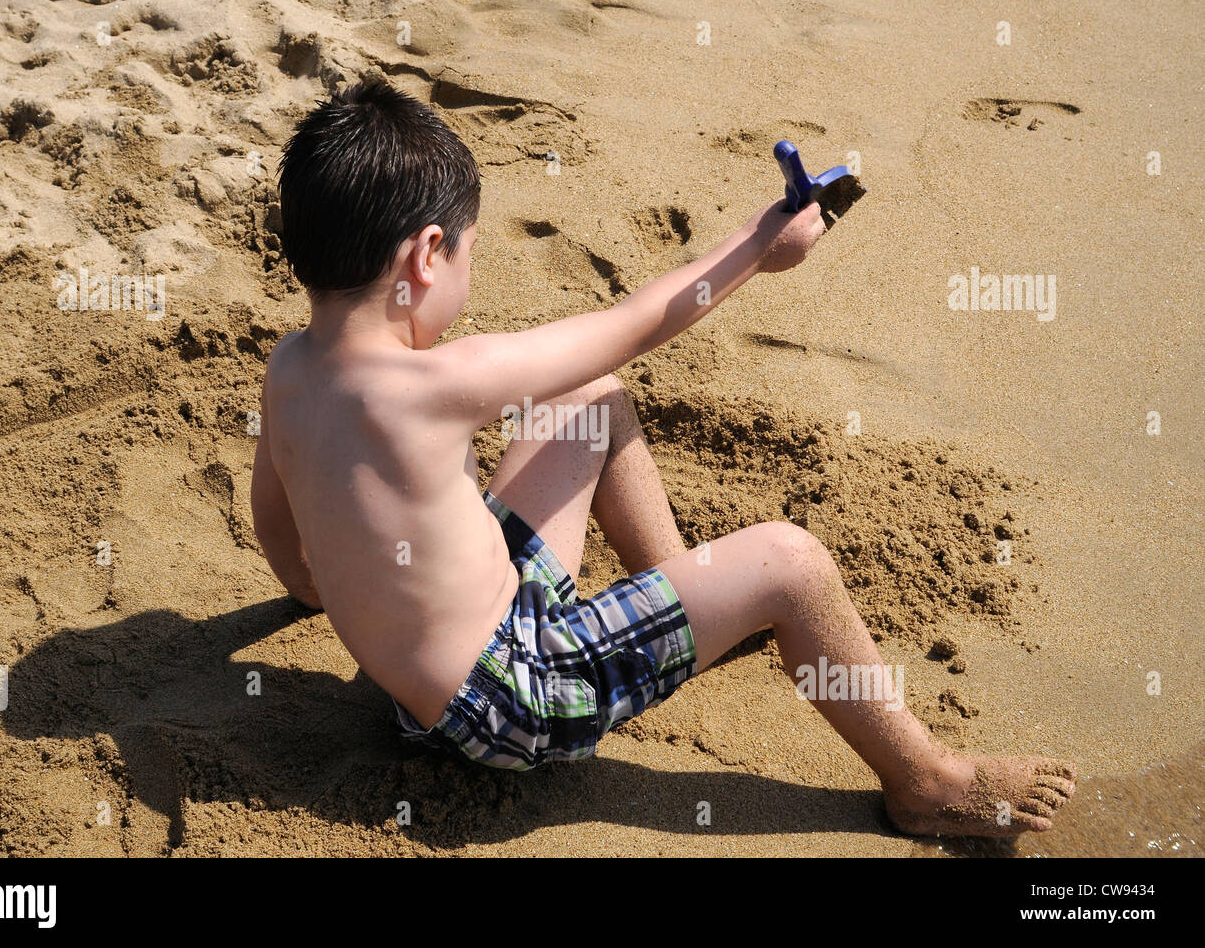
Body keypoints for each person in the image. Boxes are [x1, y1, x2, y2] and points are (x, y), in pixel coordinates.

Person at [250, 80, 1075, 837]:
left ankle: (687, 597)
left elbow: (277, 520)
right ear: (427, 255)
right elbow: (637, 320)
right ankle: (925, 781)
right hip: (517, 703)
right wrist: (758, 244)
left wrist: (324, 590)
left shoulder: (289, 371)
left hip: (418, 694)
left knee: (591, 400)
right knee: (792, 562)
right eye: (469, 251)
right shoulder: (432, 383)